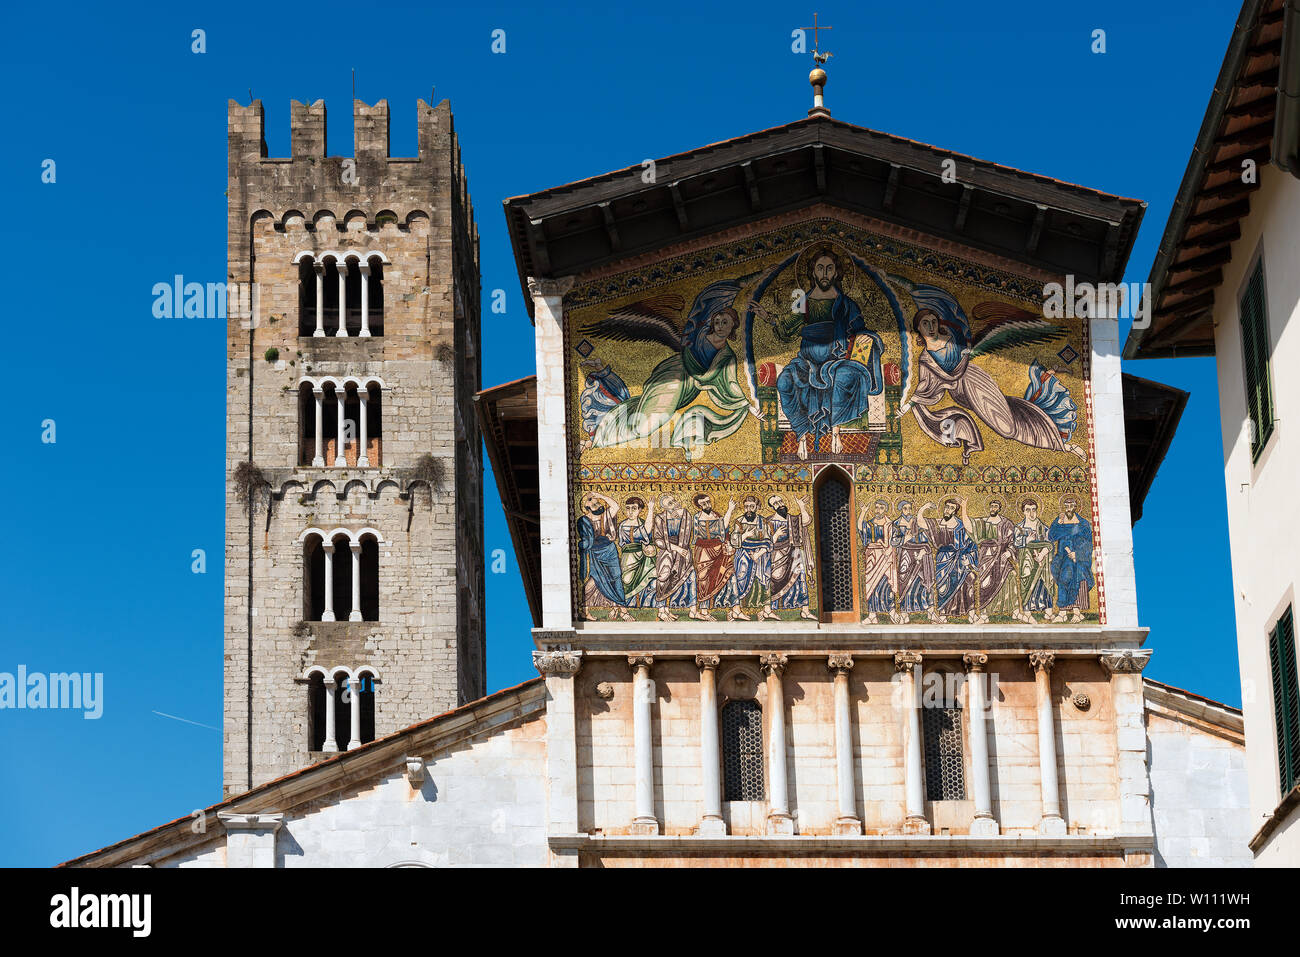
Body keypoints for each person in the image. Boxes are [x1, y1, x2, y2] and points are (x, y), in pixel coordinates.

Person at [899, 285, 1086, 464]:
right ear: (918, 328)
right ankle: (1059, 438)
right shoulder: (925, 359)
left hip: (975, 381)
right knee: (1009, 418)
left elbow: (966, 337)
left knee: (1007, 428)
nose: (931, 327)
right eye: (925, 324)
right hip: (961, 394)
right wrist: (909, 406)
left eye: (933, 322)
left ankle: (1064, 446)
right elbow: (925, 386)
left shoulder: (952, 337)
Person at [771, 247, 885, 459]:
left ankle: (835, 432)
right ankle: (802, 433)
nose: (824, 273)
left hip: (837, 360)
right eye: (820, 268)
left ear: (836, 273)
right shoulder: (803, 302)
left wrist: (871, 338)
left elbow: (860, 329)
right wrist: (769, 318)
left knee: (845, 377)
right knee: (785, 382)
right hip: (806, 361)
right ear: (813, 272)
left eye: (829, 269)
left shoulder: (846, 304)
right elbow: (786, 330)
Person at [920, 497, 981, 624]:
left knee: (967, 581)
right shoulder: (938, 523)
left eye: (952, 508)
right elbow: (921, 523)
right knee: (942, 586)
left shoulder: (960, 525)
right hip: (942, 559)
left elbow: (970, 538)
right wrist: (923, 508)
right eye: (947, 507)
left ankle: (971, 614)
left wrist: (968, 559)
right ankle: (942, 614)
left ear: (955, 511)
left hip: (959, 559)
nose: (948, 510)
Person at [719, 496, 778, 621]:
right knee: (740, 578)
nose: (749, 509)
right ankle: (736, 610)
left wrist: (758, 554)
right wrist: (745, 535)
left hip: (761, 556)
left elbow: (769, 542)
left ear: (757, 507)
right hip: (743, 554)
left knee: (764, 579)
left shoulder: (764, 522)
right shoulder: (738, 521)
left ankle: (766, 610)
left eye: (752, 506)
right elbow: (734, 541)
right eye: (746, 506)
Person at [577, 492, 632, 621]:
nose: (598, 505)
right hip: (596, 555)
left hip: (610, 552)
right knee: (594, 580)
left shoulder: (606, 515)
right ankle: (584, 610)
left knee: (616, 578)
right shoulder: (584, 521)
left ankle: (623, 611)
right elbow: (585, 539)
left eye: (598, 503)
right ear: (587, 509)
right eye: (594, 505)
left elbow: (615, 506)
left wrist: (598, 495)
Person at [767, 494, 817, 620]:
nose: (780, 504)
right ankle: (771, 609)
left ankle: (804, 610)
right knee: (773, 581)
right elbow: (765, 543)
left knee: (801, 579)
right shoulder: (768, 521)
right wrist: (776, 535)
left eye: (780, 500)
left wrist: (801, 506)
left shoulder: (792, 519)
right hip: (776, 557)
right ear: (772, 507)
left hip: (794, 554)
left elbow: (806, 521)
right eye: (776, 503)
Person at [973, 499, 1024, 621]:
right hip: (986, 556)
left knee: (1011, 574)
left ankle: (1015, 611)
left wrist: (1009, 552)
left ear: (999, 508)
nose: (993, 508)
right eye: (991, 506)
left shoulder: (1006, 523)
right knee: (984, 580)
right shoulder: (982, 523)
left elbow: (1013, 541)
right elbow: (974, 537)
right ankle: (984, 612)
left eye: (995, 506)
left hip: (1002, 557)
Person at [689, 494, 736, 621]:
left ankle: (732, 608)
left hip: (719, 550)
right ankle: (704, 612)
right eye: (703, 503)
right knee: (703, 579)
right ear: (699, 506)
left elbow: (724, 528)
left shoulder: (717, 516)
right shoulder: (697, 517)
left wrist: (730, 509)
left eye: (708, 502)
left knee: (726, 574)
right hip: (703, 551)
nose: (707, 505)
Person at [1047, 496, 1093, 623]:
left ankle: (1077, 613)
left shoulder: (1082, 524)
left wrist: (1077, 554)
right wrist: (1058, 523)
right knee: (1063, 580)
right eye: (1066, 506)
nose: (1068, 509)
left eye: (1071, 506)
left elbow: (1089, 544)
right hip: (1062, 558)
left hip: (1077, 561)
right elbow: (1051, 536)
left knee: (1078, 579)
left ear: (1076, 507)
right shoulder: (1059, 520)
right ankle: (1062, 613)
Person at [650, 493, 695, 621]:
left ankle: (691, 609)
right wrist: (676, 549)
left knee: (690, 576)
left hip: (684, 552)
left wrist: (682, 550)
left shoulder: (686, 515)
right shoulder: (660, 518)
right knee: (663, 577)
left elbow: (688, 536)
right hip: (667, 551)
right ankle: (661, 610)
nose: (674, 504)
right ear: (665, 508)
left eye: (674, 500)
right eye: (670, 504)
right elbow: (658, 540)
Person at [893, 499, 939, 624]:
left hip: (920, 554)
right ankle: (904, 613)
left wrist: (924, 550)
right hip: (905, 554)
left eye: (909, 508)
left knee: (924, 582)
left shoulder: (917, 522)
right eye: (905, 508)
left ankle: (930, 612)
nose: (908, 511)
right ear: (901, 510)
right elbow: (893, 541)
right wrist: (904, 539)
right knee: (904, 580)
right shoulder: (896, 523)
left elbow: (926, 539)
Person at [857, 499, 901, 624]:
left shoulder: (890, 525)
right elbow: (860, 527)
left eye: (881, 508)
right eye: (876, 507)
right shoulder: (870, 524)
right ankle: (872, 615)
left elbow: (895, 540)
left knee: (886, 584)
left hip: (886, 558)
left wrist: (889, 548)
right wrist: (863, 512)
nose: (878, 510)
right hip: (872, 558)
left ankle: (891, 611)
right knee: (871, 585)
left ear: (885, 510)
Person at [1013, 498, 1054, 623]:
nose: (1031, 513)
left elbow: (1050, 543)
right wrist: (1027, 541)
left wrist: (1042, 554)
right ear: (1023, 512)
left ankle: (1048, 611)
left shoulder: (1043, 527)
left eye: (1034, 510)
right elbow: (1015, 542)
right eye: (1028, 510)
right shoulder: (1019, 528)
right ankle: (1027, 613)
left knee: (1044, 584)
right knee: (1027, 584)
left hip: (1042, 562)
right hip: (1027, 561)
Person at [617, 496, 657, 609]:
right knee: (626, 580)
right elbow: (621, 544)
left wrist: (651, 509)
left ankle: (645, 605)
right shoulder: (622, 526)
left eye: (634, 508)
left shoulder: (644, 523)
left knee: (652, 576)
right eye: (628, 508)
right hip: (628, 559)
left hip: (643, 557)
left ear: (640, 510)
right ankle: (628, 606)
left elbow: (647, 531)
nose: (630, 512)